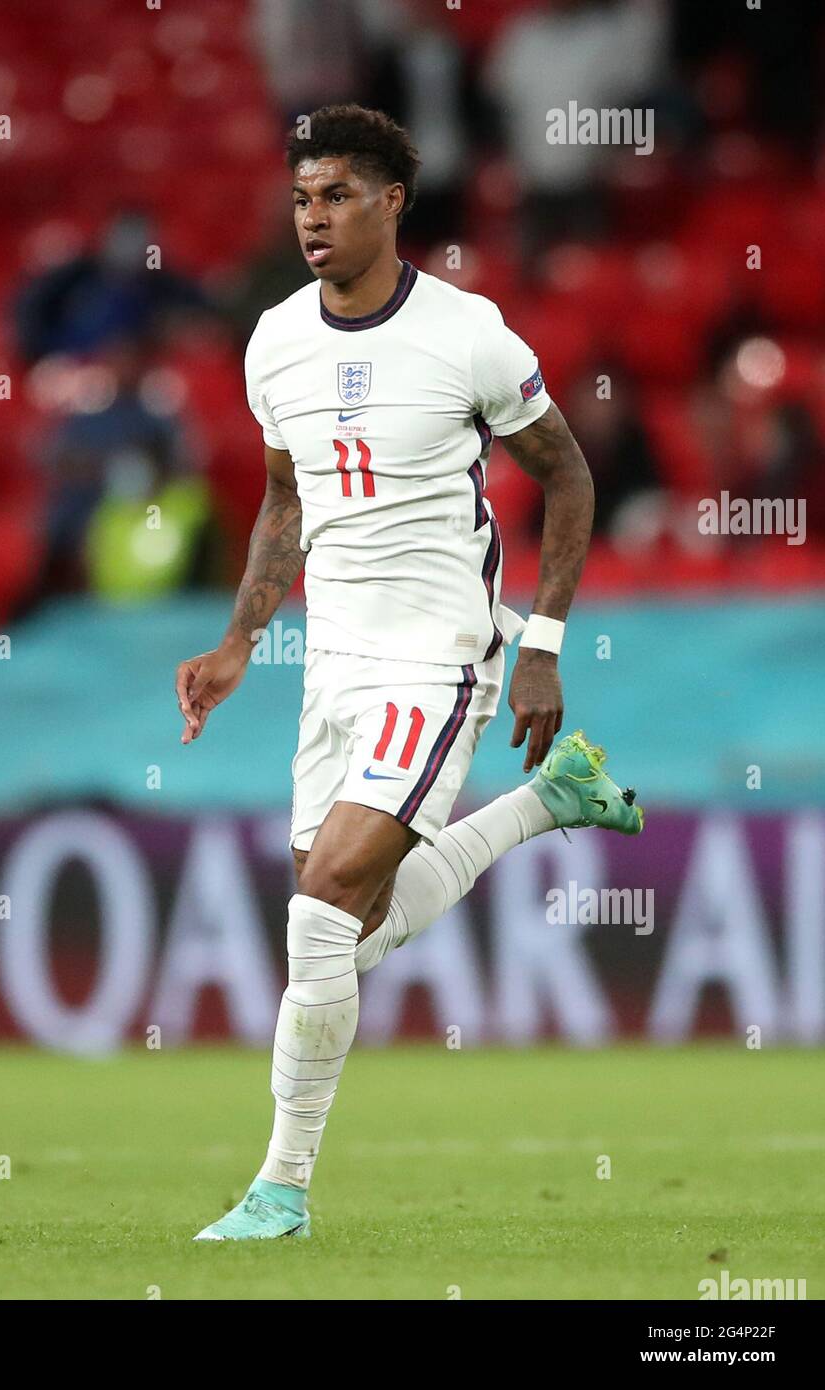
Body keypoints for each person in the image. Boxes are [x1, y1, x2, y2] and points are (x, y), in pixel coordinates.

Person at [174, 105, 643, 1242]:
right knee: (334, 919)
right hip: (329, 660)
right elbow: (285, 504)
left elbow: (570, 482)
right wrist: (241, 639)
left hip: (439, 653)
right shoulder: (275, 338)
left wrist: (537, 643)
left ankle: (280, 1189)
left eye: (336, 194)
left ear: (393, 202)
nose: (313, 218)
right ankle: (543, 806)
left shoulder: (467, 333)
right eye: (300, 198)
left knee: (323, 904)